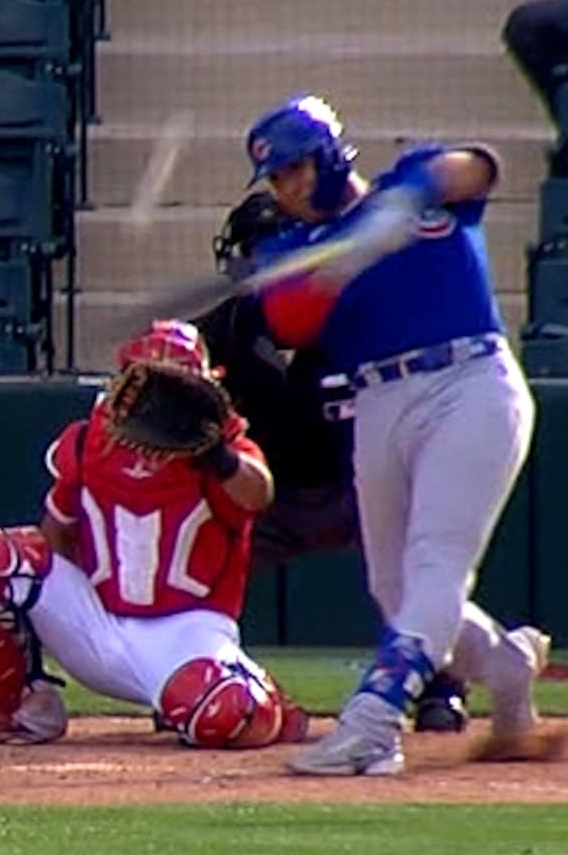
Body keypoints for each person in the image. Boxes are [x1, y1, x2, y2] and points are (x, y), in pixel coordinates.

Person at [224, 95, 559, 777]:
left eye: (294, 170)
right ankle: (508, 666)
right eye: (277, 179)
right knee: (392, 586)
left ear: (327, 156)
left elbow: (479, 169)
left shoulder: (409, 184)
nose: (287, 189)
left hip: (471, 382)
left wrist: (400, 205)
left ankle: (375, 720)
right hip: (376, 400)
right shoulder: (292, 248)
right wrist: (341, 262)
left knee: (436, 563)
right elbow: (288, 322)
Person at [0, 319, 311, 750]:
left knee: (229, 717)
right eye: (150, 384)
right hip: (98, 619)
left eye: (174, 388)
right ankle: (18, 711)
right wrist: (51, 608)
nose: (160, 403)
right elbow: (53, 539)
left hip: (187, 635)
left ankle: (250, 695)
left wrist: (212, 453)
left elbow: (258, 493)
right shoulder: (85, 442)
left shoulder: (226, 449)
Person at [198, 177, 470, 735]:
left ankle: (440, 686)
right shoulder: (220, 332)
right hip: (269, 495)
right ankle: (196, 681)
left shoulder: (371, 317)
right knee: (195, 554)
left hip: (362, 488)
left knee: (422, 565)